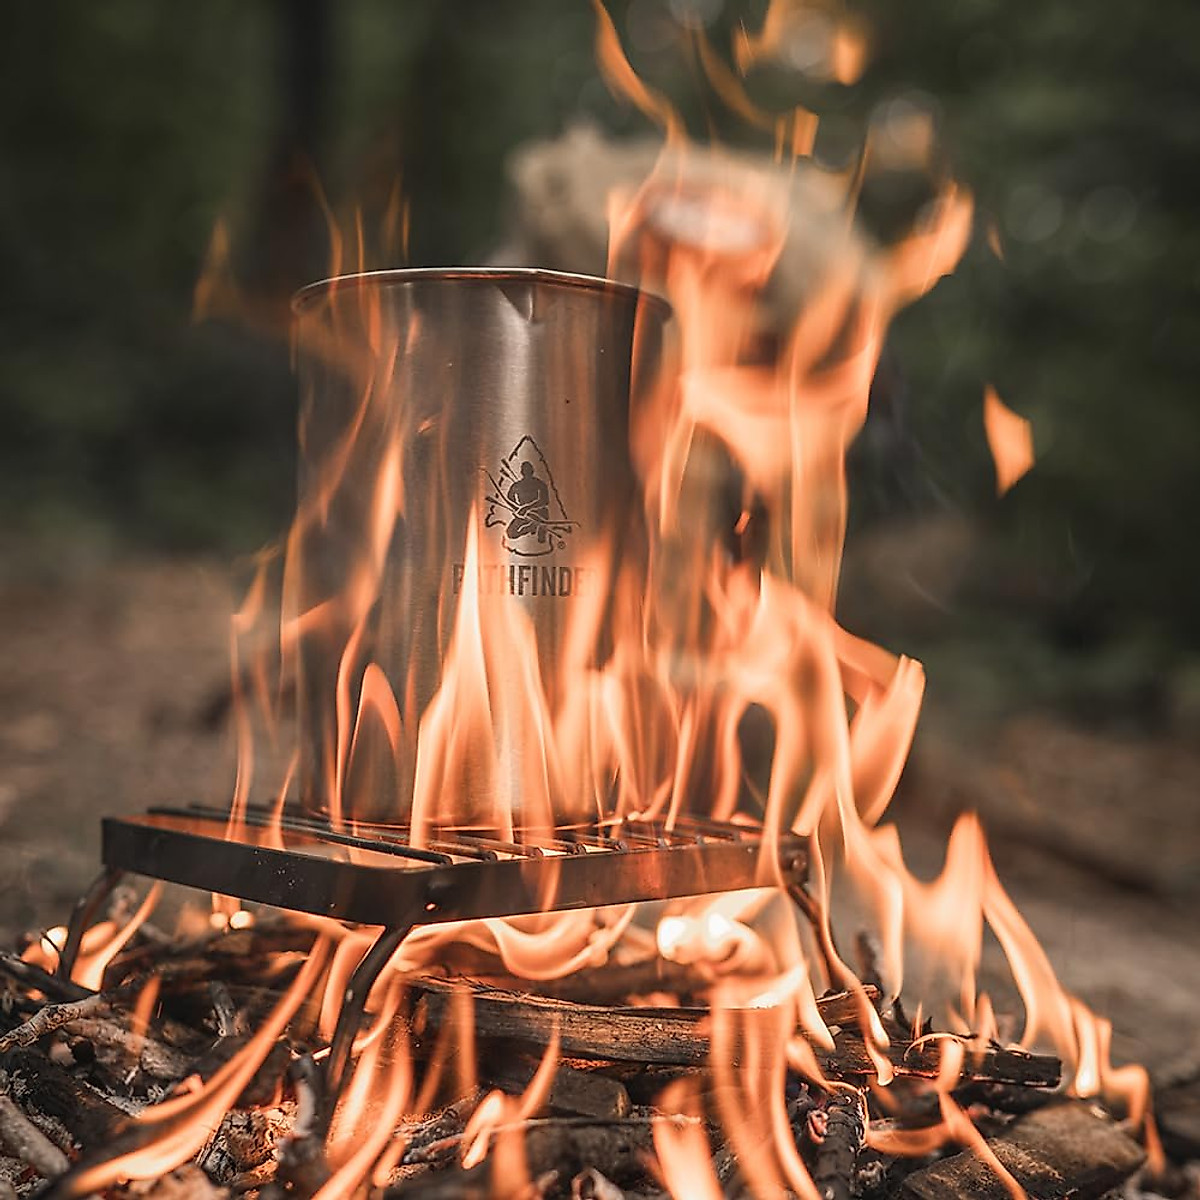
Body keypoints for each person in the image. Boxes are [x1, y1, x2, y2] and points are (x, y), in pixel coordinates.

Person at [506, 461, 550, 544]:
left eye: (528, 470)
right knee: (511, 533)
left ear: (532, 471)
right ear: (522, 472)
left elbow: (545, 501)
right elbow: (509, 499)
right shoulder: (517, 485)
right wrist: (517, 509)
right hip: (524, 515)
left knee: (542, 540)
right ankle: (531, 528)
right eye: (525, 470)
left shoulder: (540, 484)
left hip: (539, 514)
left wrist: (527, 508)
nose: (527, 472)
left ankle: (538, 529)